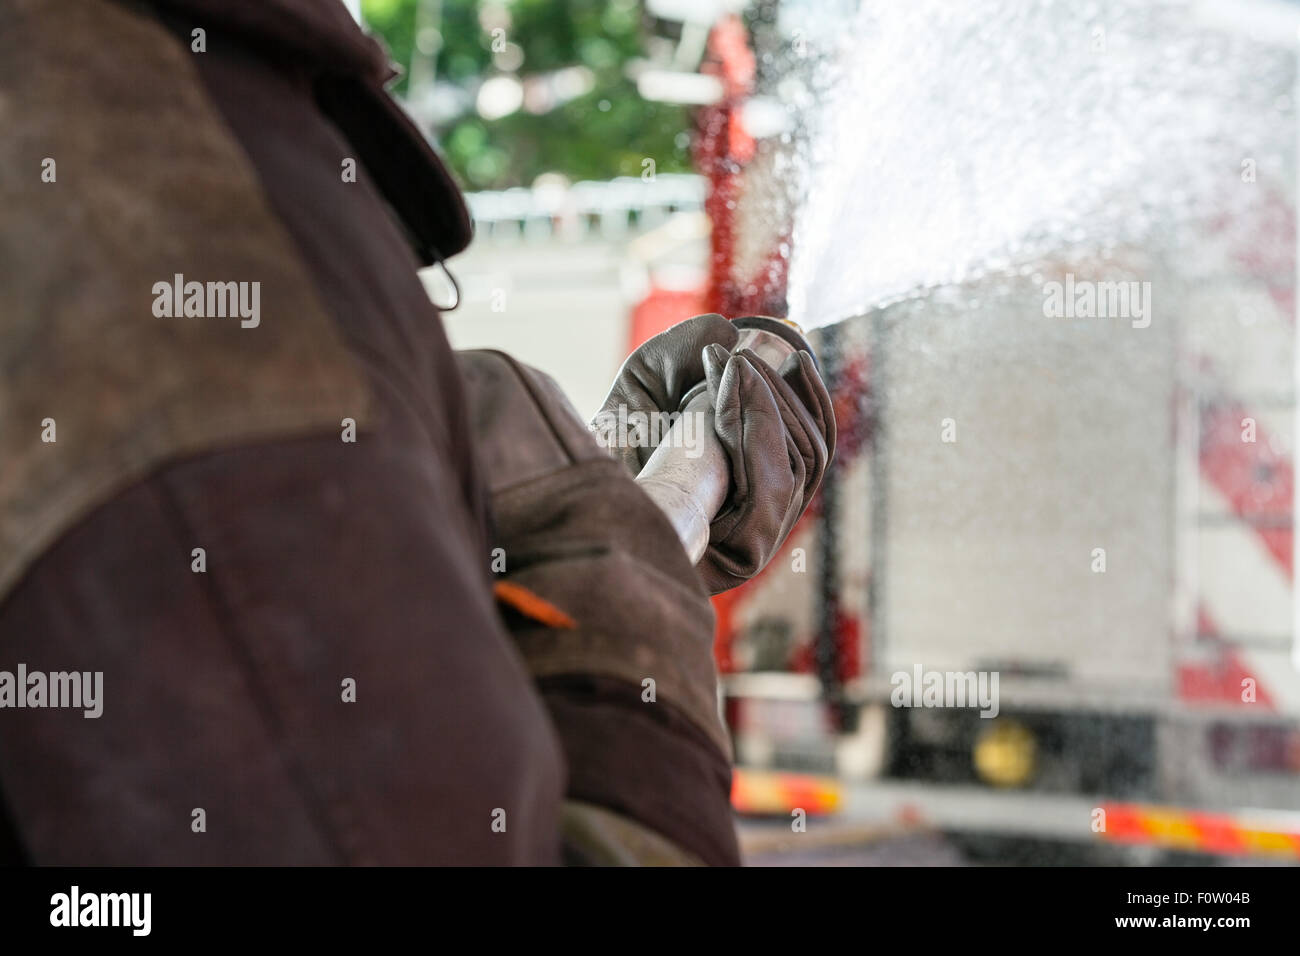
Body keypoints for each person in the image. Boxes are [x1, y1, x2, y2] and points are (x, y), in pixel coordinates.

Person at [0, 0, 833, 865]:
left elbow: (345, 582)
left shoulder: (189, 93)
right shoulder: (136, 138)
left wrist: (606, 495)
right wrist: (622, 567)